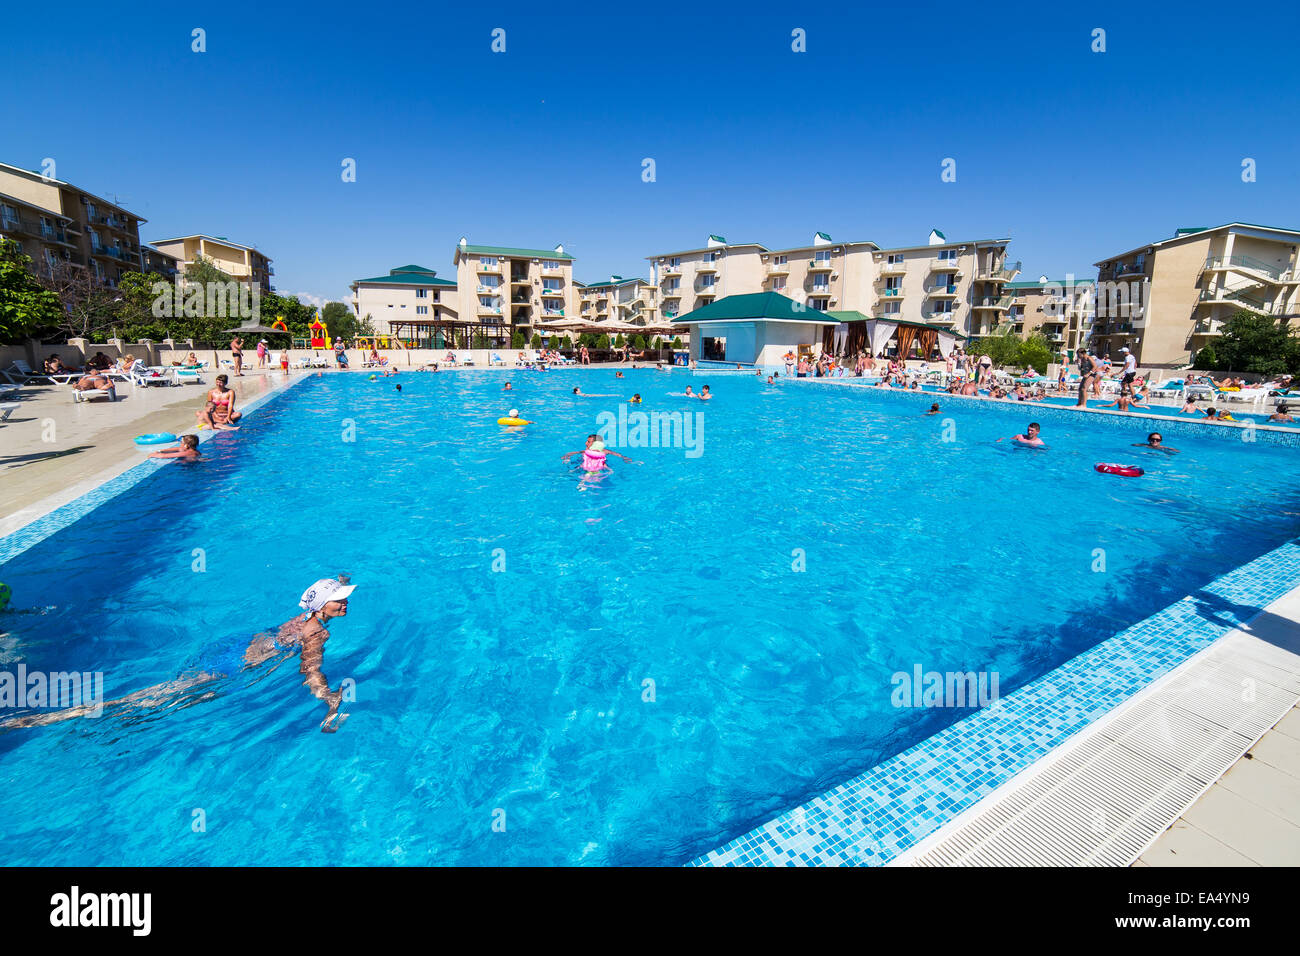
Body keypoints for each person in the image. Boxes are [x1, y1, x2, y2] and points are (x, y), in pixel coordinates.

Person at [0, 576, 358, 733]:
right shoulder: (317, 631)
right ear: (325, 604)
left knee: (175, 696)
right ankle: (48, 718)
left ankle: (106, 714)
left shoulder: (304, 616)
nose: (347, 601)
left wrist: (338, 577)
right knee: (160, 697)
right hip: (237, 667)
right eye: (341, 597)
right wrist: (327, 697)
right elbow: (310, 670)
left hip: (240, 647)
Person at [561, 434, 638, 473]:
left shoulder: (604, 451)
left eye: (588, 442)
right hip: (583, 465)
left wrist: (624, 458)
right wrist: (567, 456)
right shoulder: (586, 452)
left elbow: (616, 454)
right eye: (587, 441)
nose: (585, 443)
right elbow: (574, 453)